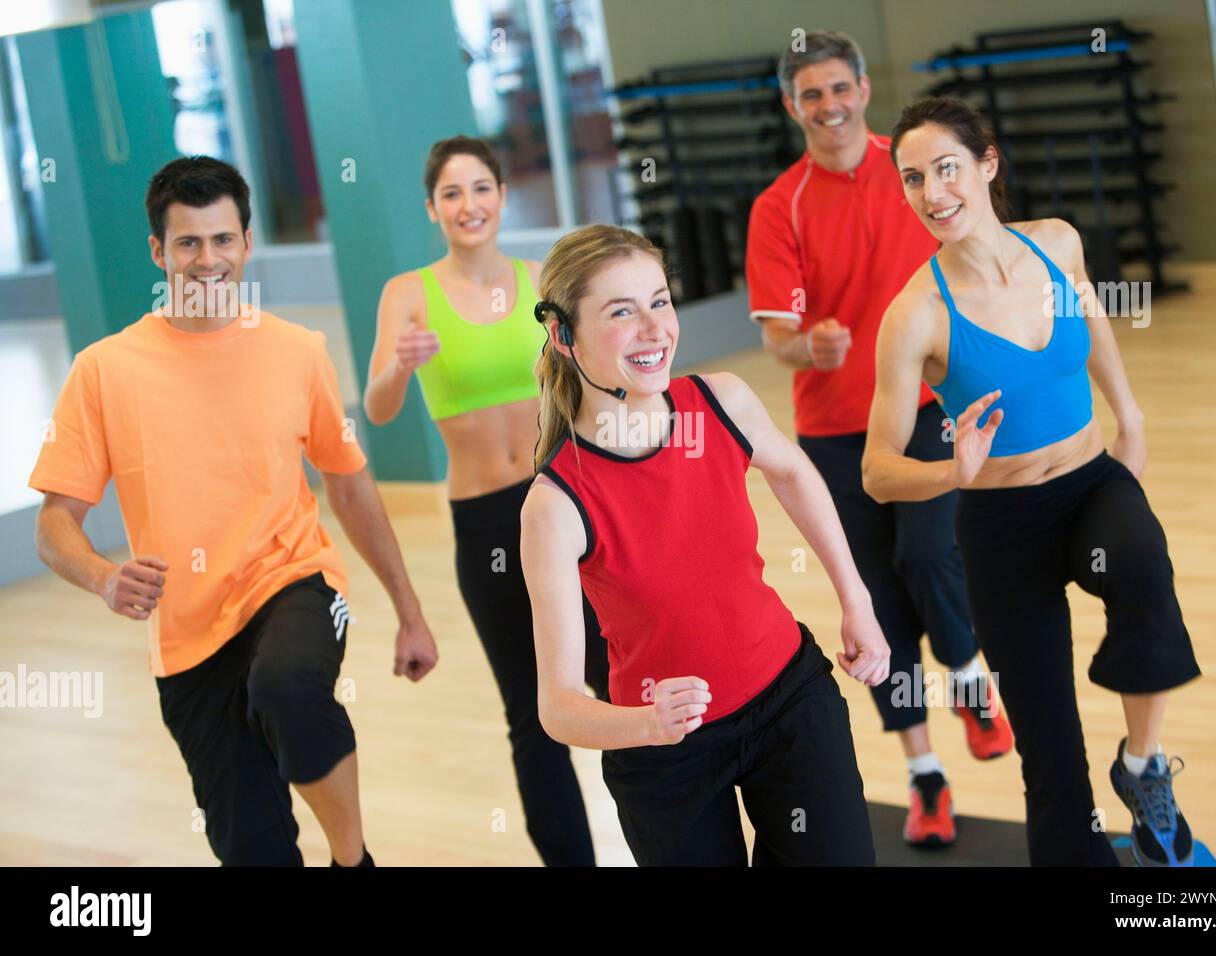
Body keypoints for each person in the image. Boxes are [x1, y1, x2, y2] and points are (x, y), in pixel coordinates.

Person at [29, 156, 439, 867]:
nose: (208, 259)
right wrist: (103, 577)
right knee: (250, 848)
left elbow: (349, 486)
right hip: (185, 633)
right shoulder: (103, 370)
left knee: (287, 686)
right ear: (158, 251)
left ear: (247, 242)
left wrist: (410, 611)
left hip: (292, 580)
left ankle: (353, 861)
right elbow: (53, 523)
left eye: (223, 239)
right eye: (188, 242)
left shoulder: (297, 351)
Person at [865, 96, 1202, 866]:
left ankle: (1144, 765)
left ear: (987, 164)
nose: (932, 193)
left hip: (1090, 485)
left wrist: (1130, 414)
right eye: (913, 178)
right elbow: (877, 472)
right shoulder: (916, 315)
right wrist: (951, 470)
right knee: (1050, 759)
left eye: (946, 168)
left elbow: (1090, 314)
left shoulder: (1056, 244)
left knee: (1142, 565)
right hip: (1001, 525)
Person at [521, 223, 889, 866]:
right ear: (563, 335)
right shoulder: (555, 505)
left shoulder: (720, 403)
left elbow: (793, 472)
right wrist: (647, 723)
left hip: (788, 700)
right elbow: (558, 708)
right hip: (664, 753)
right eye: (621, 312)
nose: (655, 329)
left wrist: (855, 599)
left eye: (660, 302)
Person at [746, 29, 1011, 847]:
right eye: (811, 94)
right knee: (875, 604)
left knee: (930, 554)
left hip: (931, 405)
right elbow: (777, 337)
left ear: (863, 90)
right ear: (792, 106)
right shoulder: (780, 205)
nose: (828, 105)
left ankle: (970, 683)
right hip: (833, 429)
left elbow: (978, 251)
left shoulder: (915, 169)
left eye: (840, 88)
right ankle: (924, 773)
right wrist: (809, 346)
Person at [363, 136, 610, 866]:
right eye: (451, 193)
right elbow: (377, 410)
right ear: (432, 208)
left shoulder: (540, 281)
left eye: (480, 189)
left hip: (565, 503)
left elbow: (590, 386)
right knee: (533, 715)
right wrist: (398, 369)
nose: (468, 205)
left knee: (618, 681)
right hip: (487, 523)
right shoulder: (408, 294)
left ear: (502, 196)